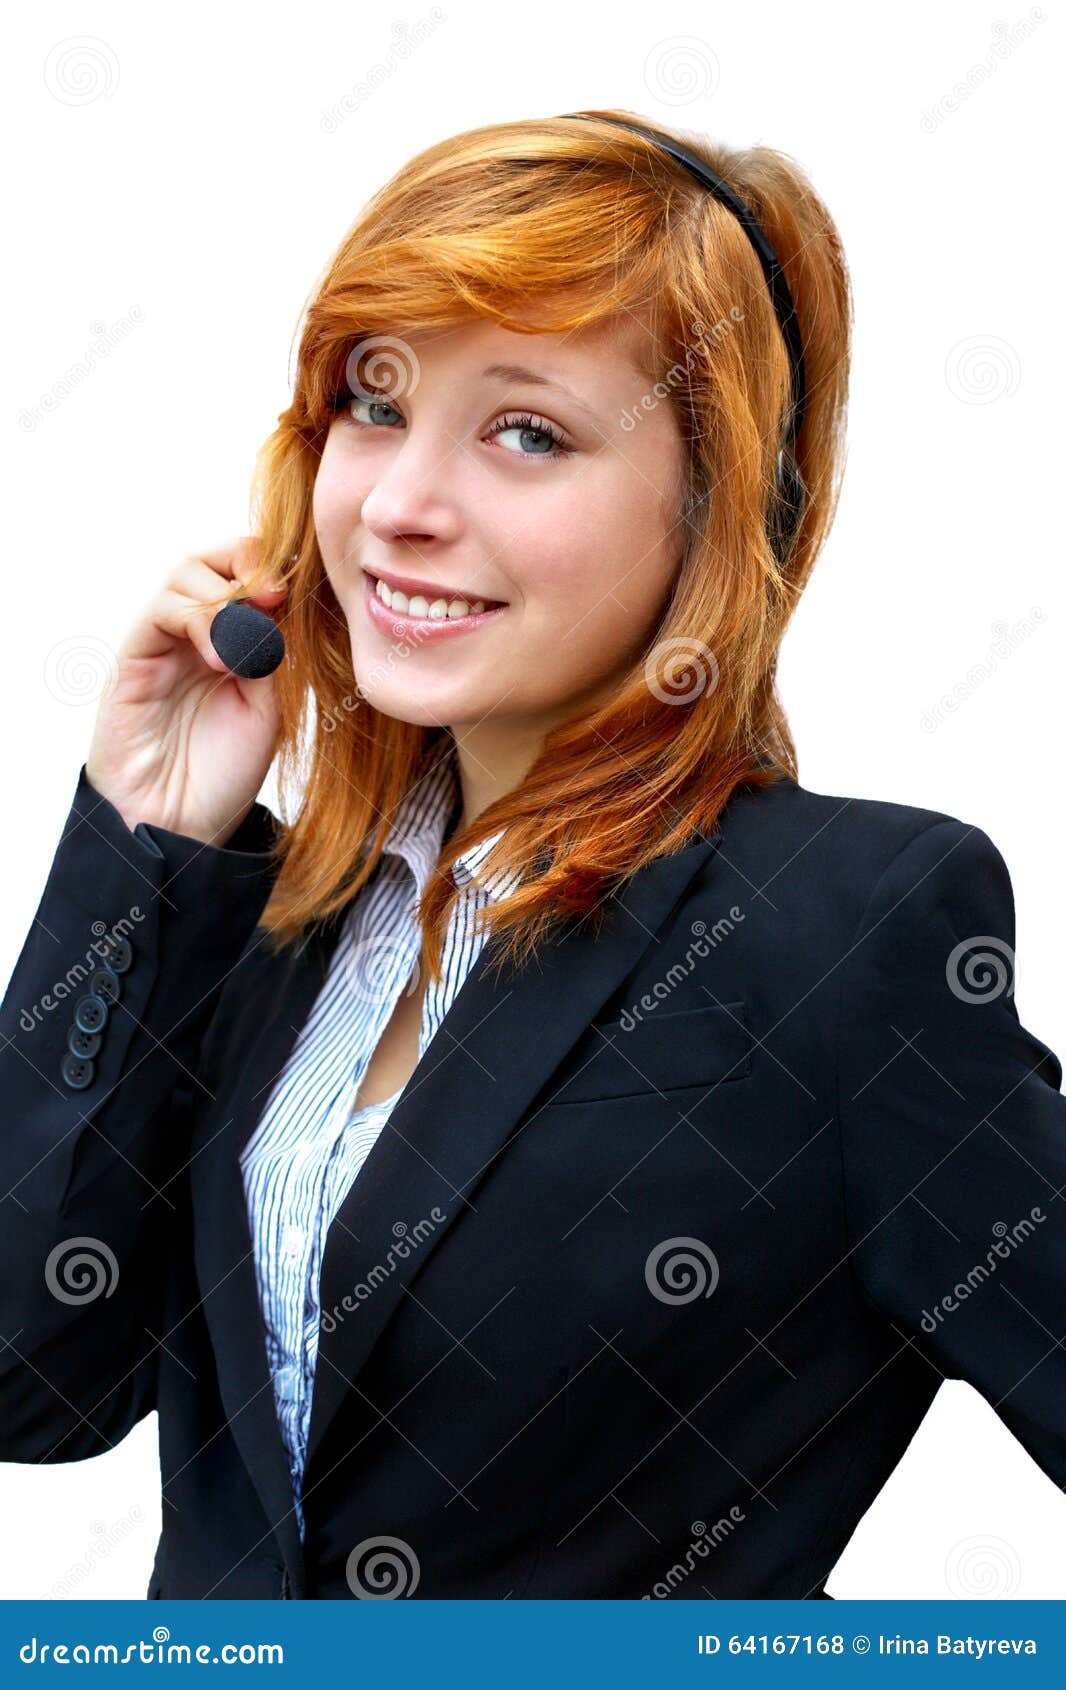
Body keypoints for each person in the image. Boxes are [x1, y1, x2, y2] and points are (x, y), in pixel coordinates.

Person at [1, 109, 1063, 1602]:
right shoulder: (273, 920)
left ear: (712, 504)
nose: (401, 506)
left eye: (526, 431)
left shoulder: (845, 932)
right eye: (373, 405)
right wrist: (147, 844)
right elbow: (24, 1381)